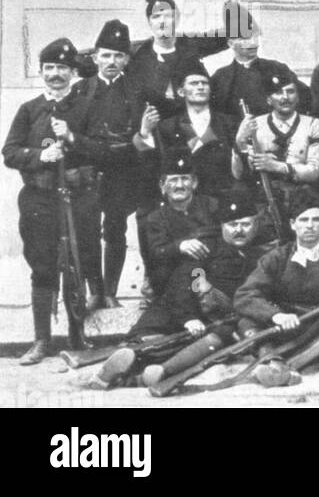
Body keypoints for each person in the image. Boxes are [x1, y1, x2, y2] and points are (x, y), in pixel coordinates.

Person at [94, 194, 264, 390]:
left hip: (213, 322)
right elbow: (190, 280)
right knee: (162, 337)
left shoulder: (260, 254)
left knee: (208, 340)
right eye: (232, 225)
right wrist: (188, 317)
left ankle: (138, 372)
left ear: (256, 225)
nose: (239, 230)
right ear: (222, 226)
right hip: (182, 312)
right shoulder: (207, 247)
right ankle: (129, 359)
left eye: (245, 224)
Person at [3, 38, 103, 363]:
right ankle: (42, 341)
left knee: (77, 261)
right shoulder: (30, 109)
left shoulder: (86, 106)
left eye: (62, 68)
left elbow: (102, 149)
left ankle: (78, 335)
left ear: (73, 72)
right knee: (43, 265)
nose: (55, 74)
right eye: (49, 68)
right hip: (39, 200)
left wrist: (73, 137)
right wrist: (40, 154)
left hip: (78, 199)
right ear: (41, 71)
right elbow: (9, 152)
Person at [233, 190, 319, 387]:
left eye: (316, 220)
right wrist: (276, 315)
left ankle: (285, 365)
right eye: (303, 220)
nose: (310, 226)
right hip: (290, 324)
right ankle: (272, 359)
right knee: (246, 321)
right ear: (293, 224)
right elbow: (245, 295)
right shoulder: (277, 257)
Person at [68, 19, 146, 309]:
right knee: (87, 232)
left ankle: (111, 290)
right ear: (95, 57)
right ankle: (95, 291)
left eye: (118, 56)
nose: (111, 61)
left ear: (126, 59)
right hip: (88, 175)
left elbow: (139, 138)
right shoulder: (80, 91)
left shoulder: (137, 91)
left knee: (115, 229)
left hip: (122, 174)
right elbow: (70, 135)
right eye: (106, 55)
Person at [137, 60, 239, 198]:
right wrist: (145, 132)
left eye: (205, 83)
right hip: (186, 200)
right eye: (194, 83)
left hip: (224, 196)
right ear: (180, 91)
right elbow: (154, 165)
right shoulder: (167, 127)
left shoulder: (230, 123)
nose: (200, 87)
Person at [233, 65, 319, 206]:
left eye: (290, 92)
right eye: (278, 93)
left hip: (302, 197)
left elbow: (314, 171)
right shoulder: (255, 125)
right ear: (269, 99)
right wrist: (240, 143)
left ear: (298, 97)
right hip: (265, 196)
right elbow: (239, 174)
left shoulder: (313, 124)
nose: (285, 97)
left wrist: (277, 166)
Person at [140, 154, 220, 301]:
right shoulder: (155, 217)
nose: (179, 185)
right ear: (162, 185)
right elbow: (156, 252)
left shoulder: (212, 206)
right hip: (175, 281)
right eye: (173, 180)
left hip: (209, 275)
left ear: (194, 183)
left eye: (185, 179)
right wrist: (179, 246)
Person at [209, 5, 311, 118]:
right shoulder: (221, 77)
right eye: (245, 38)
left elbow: (306, 99)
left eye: (255, 37)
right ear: (231, 44)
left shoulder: (277, 69)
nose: (252, 43)